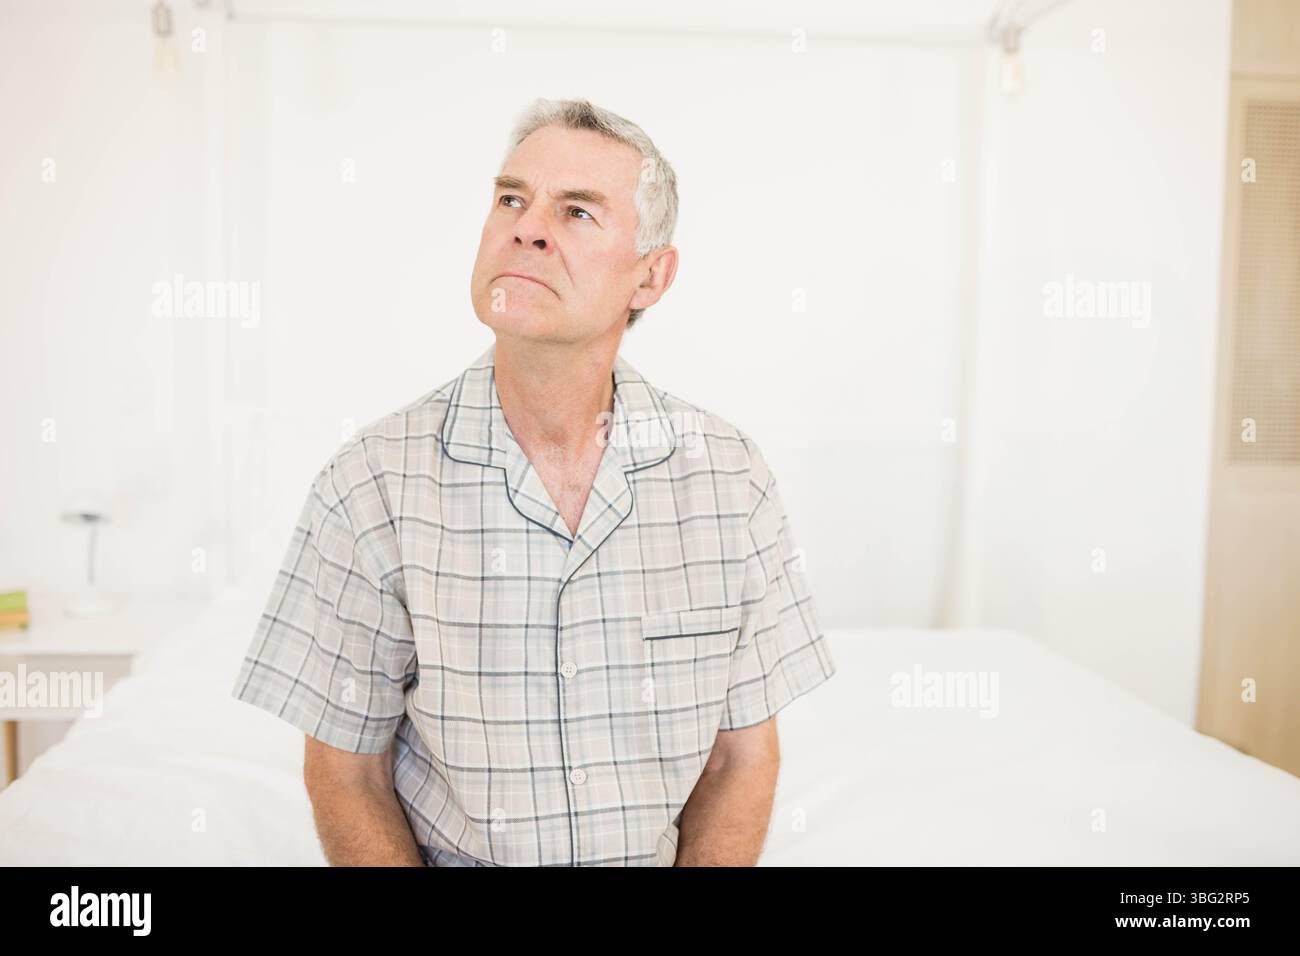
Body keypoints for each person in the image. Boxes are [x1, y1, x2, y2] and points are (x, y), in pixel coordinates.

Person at [231, 97, 836, 867]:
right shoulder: (371, 485)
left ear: (650, 278)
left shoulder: (729, 479)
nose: (526, 226)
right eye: (511, 198)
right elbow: (347, 771)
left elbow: (738, 760)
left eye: (578, 211)